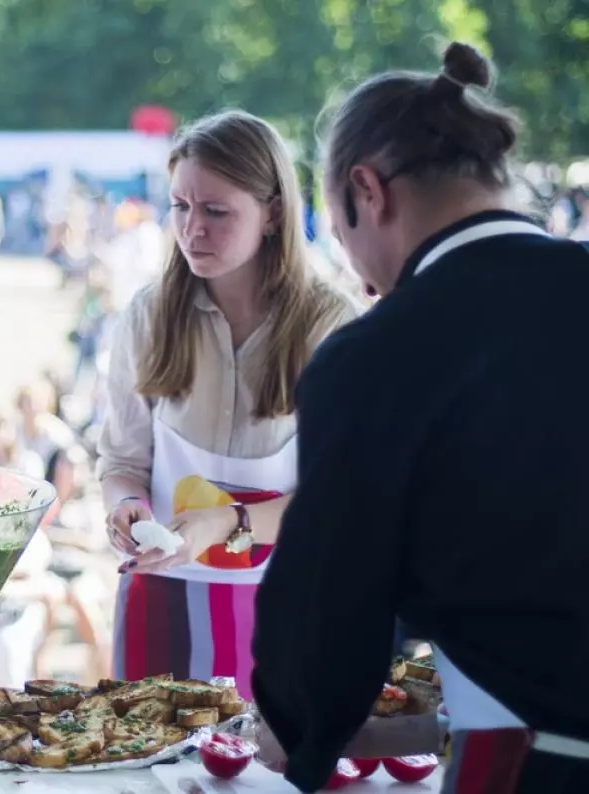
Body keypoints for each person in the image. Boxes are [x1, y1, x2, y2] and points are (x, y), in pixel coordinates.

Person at [250, 43, 589, 793]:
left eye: (340, 234)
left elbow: (326, 618)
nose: (360, 276)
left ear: (366, 192)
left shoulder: (373, 357)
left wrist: (298, 726)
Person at [101, 111, 357, 698]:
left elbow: (343, 499)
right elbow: (121, 462)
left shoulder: (331, 323)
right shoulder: (149, 313)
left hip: (290, 601)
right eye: (180, 207)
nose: (193, 230)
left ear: (272, 213)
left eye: (216, 211)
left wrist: (229, 522)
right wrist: (126, 507)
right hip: (162, 597)